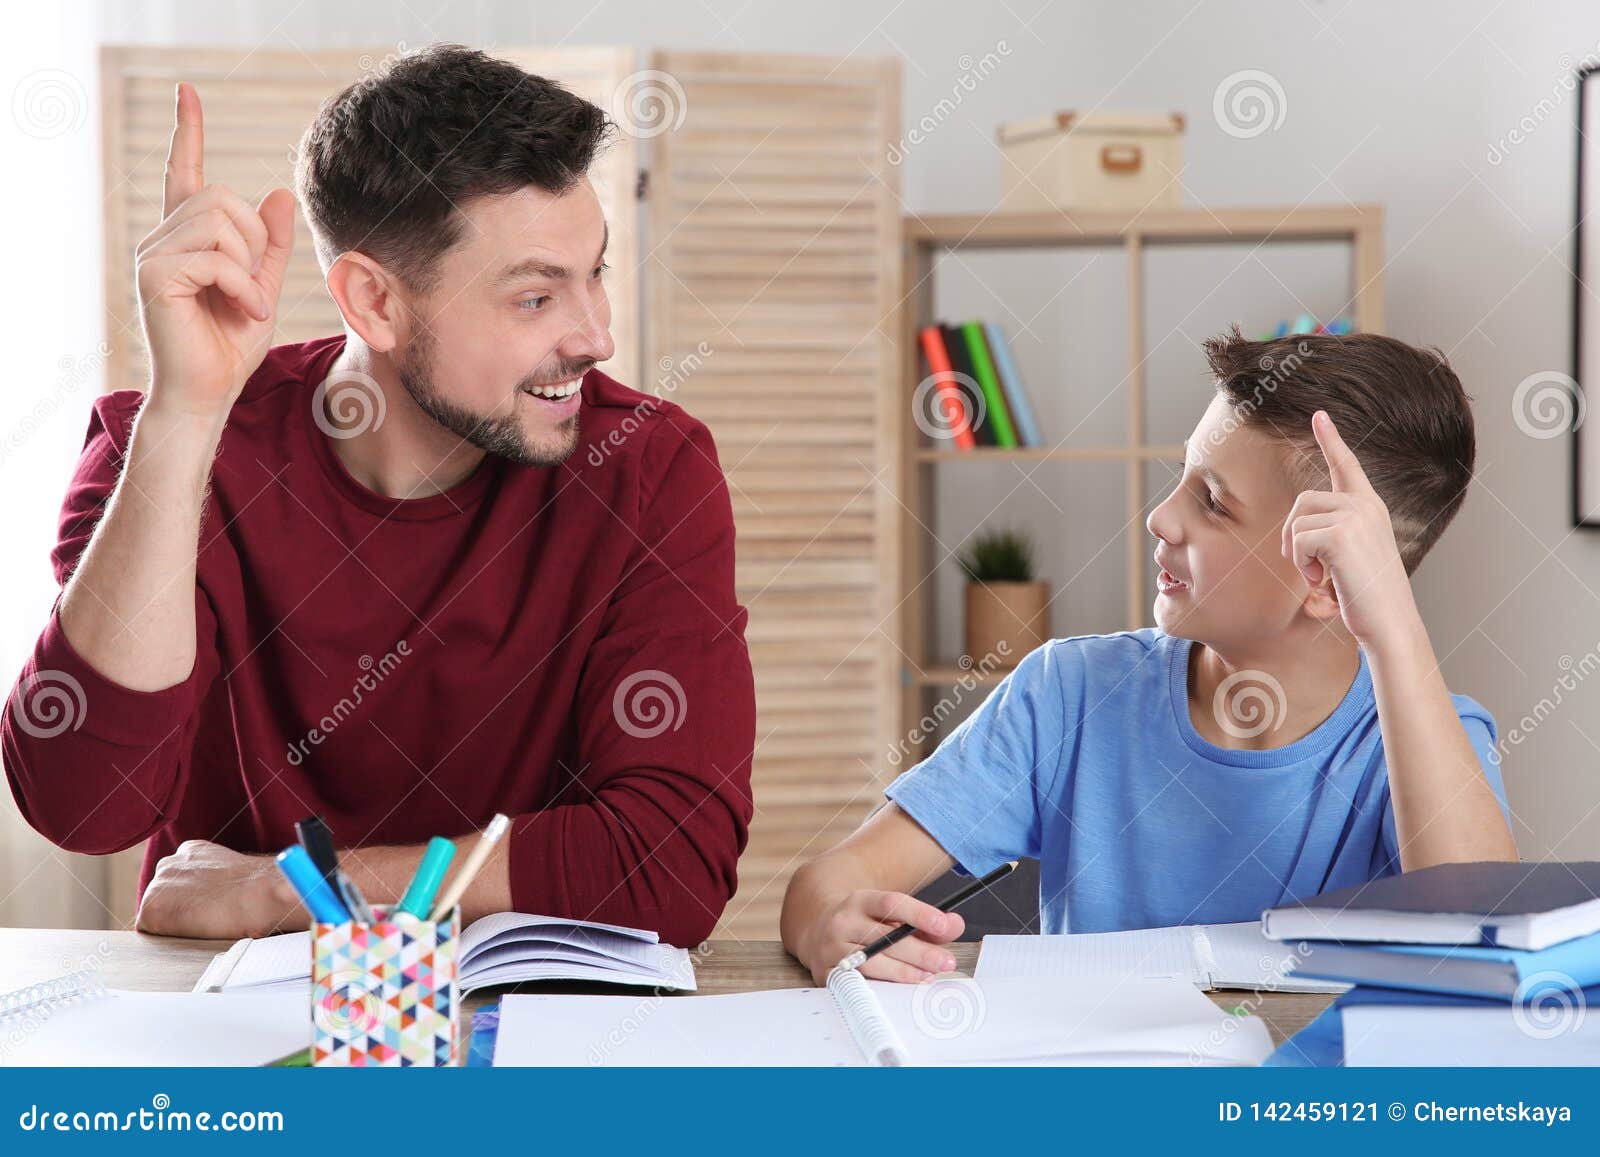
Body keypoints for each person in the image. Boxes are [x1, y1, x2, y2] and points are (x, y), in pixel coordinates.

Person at [2, 45, 755, 946]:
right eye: (534, 299)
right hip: (235, 1034)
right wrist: (184, 416)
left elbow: (671, 859)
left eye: (593, 273)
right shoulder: (156, 450)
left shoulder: (648, 467)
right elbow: (82, 810)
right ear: (375, 302)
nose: (595, 335)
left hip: (529, 1026)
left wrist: (300, 888)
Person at [782, 327, 1518, 982]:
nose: (1160, 517)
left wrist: (1393, 623)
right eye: (1182, 478)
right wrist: (827, 923)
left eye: (1214, 501)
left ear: (1323, 571)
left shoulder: (1424, 739)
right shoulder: (1067, 692)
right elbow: (830, 881)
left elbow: (1483, 943)